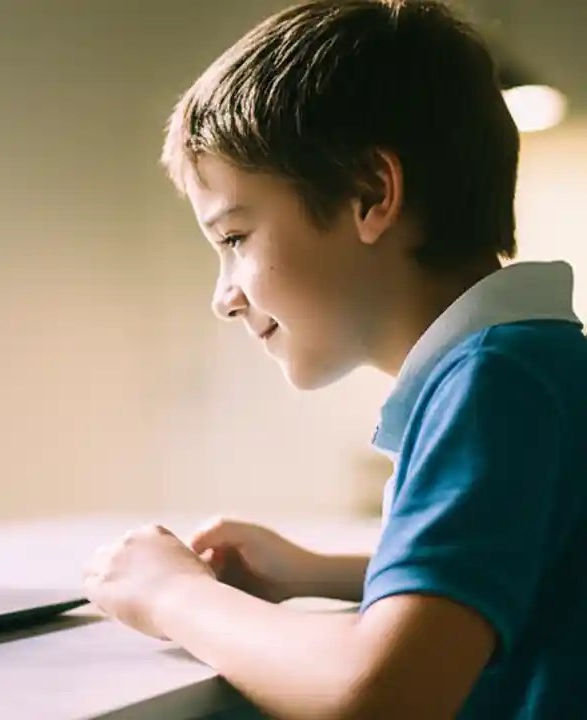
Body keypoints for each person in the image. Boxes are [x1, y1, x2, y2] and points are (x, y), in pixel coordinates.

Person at [82, 2, 587, 717]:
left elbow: (385, 693)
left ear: (369, 193)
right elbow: (532, 564)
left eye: (234, 239)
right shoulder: (535, 360)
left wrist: (173, 594)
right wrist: (323, 572)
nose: (224, 297)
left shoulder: (495, 382)